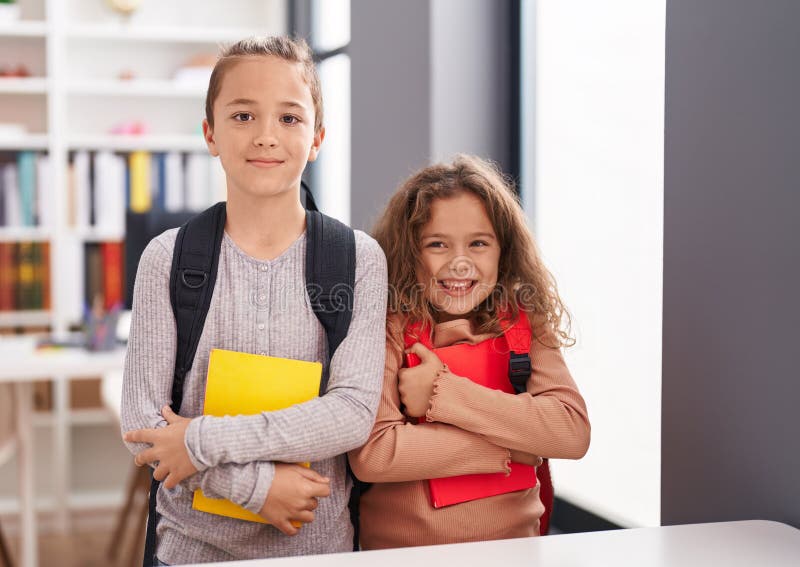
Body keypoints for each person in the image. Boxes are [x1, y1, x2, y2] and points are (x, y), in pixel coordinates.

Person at [120, 36, 387, 565]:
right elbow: (144, 427)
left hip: (318, 549)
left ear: (317, 138)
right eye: (243, 116)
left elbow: (352, 412)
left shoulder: (359, 258)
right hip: (189, 552)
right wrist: (257, 487)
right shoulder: (167, 259)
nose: (266, 136)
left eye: (289, 119)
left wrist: (198, 440)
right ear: (210, 133)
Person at [348, 154, 590, 549]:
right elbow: (375, 453)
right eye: (437, 244)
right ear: (410, 252)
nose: (460, 262)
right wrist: (515, 446)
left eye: (478, 243)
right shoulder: (388, 328)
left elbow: (571, 432)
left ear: (503, 251)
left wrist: (442, 392)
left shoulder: (525, 323)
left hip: (517, 551)